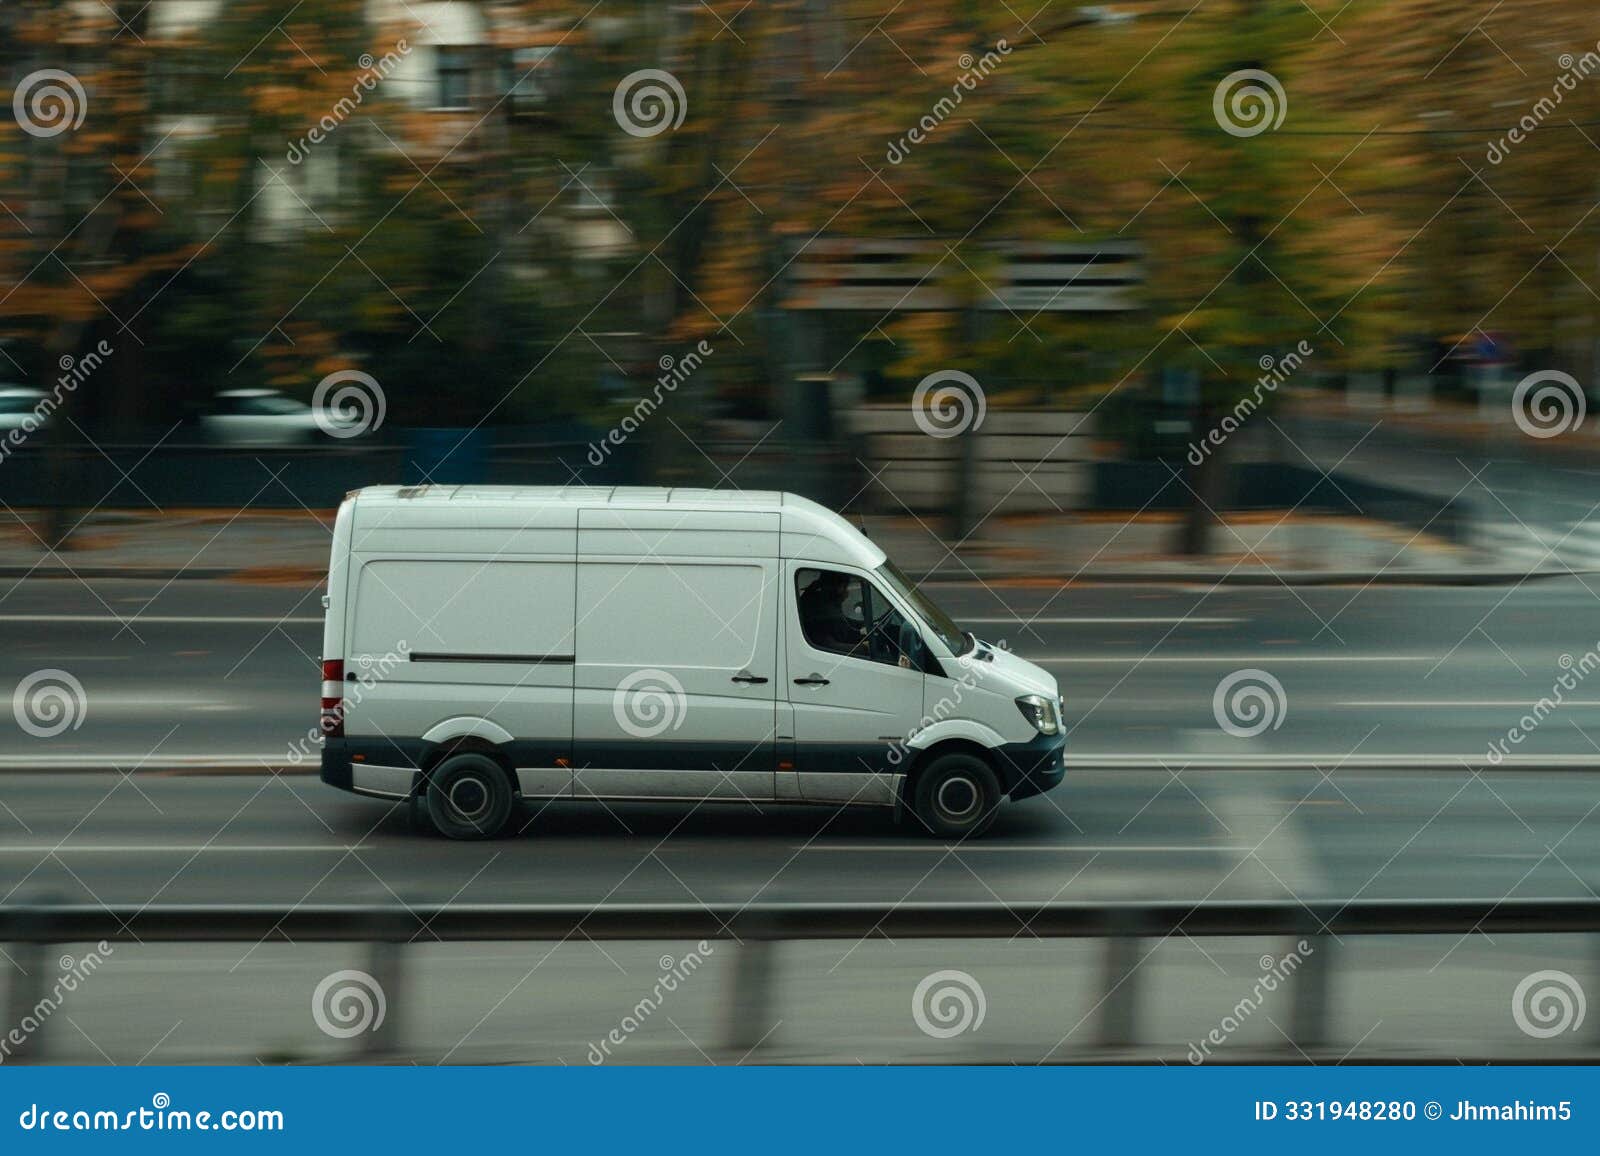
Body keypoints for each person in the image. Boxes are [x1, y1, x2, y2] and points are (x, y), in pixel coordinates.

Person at [798, 570, 864, 656]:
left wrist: (863, 625)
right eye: (845, 587)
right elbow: (840, 637)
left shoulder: (817, 598)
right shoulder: (824, 609)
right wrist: (864, 648)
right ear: (839, 588)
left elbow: (844, 623)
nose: (847, 592)